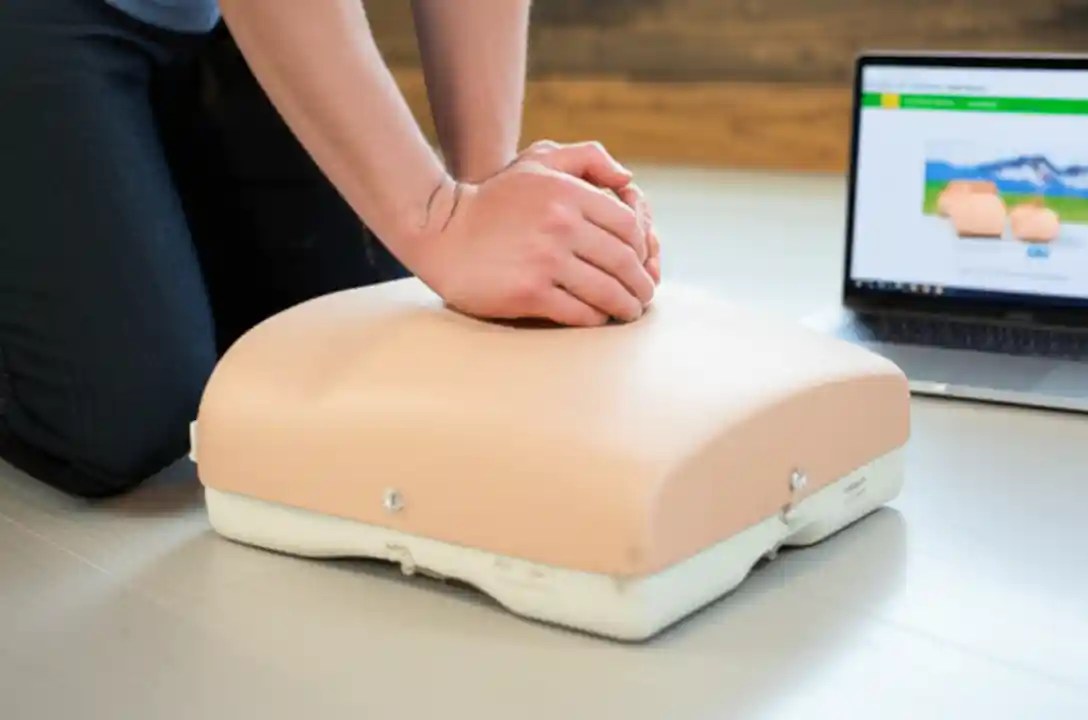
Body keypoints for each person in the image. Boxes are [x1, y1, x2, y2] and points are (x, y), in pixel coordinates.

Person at [0, 0, 661, 499]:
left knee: (347, 320)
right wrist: (438, 220)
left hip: (204, 20)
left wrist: (485, 187)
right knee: (119, 418)